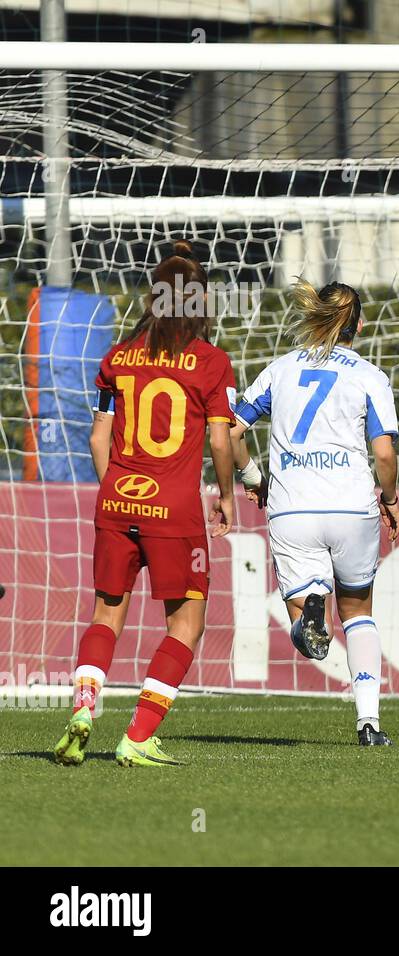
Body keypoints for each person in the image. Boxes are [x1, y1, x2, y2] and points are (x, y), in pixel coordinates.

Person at [54, 239, 237, 768]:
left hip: (116, 500)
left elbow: (96, 440)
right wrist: (225, 497)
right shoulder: (211, 362)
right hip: (174, 510)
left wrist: (119, 490)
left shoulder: (118, 356)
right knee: (186, 622)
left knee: (106, 614)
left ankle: (85, 710)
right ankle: (138, 735)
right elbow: (221, 442)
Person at [230, 279, 399, 746]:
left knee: (308, 620)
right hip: (352, 506)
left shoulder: (279, 370)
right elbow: (383, 454)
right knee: (359, 611)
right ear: (359, 325)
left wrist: (251, 477)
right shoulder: (370, 376)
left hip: (292, 506)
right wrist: (390, 499)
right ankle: (369, 724)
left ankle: (310, 618)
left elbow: (230, 432)